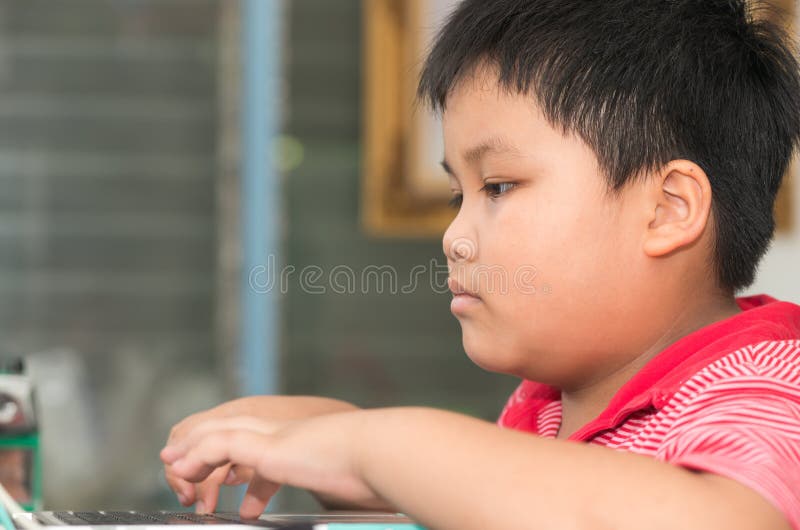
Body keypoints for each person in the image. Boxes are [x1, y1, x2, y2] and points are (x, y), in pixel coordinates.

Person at [160, 0, 800, 528]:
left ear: (666, 210)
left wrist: (372, 446)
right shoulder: (549, 403)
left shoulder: (765, 383)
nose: (454, 237)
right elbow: (499, 505)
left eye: (497, 187)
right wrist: (325, 439)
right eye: (455, 194)